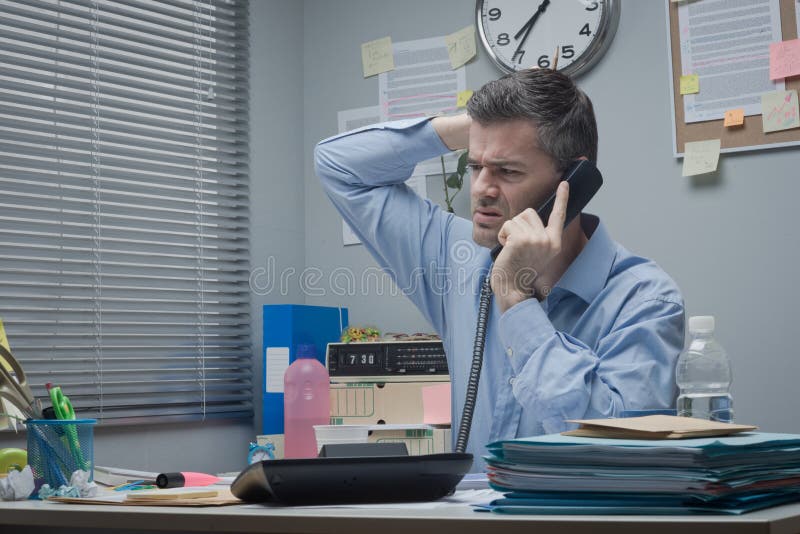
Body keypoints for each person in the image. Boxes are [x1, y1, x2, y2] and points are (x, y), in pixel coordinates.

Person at [315, 68, 685, 470]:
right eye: (476, 167)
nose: (481, 190)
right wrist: (467, 130)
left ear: (575, 182)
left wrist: (515, 299)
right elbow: (338, 165)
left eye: (507, 171)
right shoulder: (454, 256)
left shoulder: (645, 301)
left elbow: (617, 452)